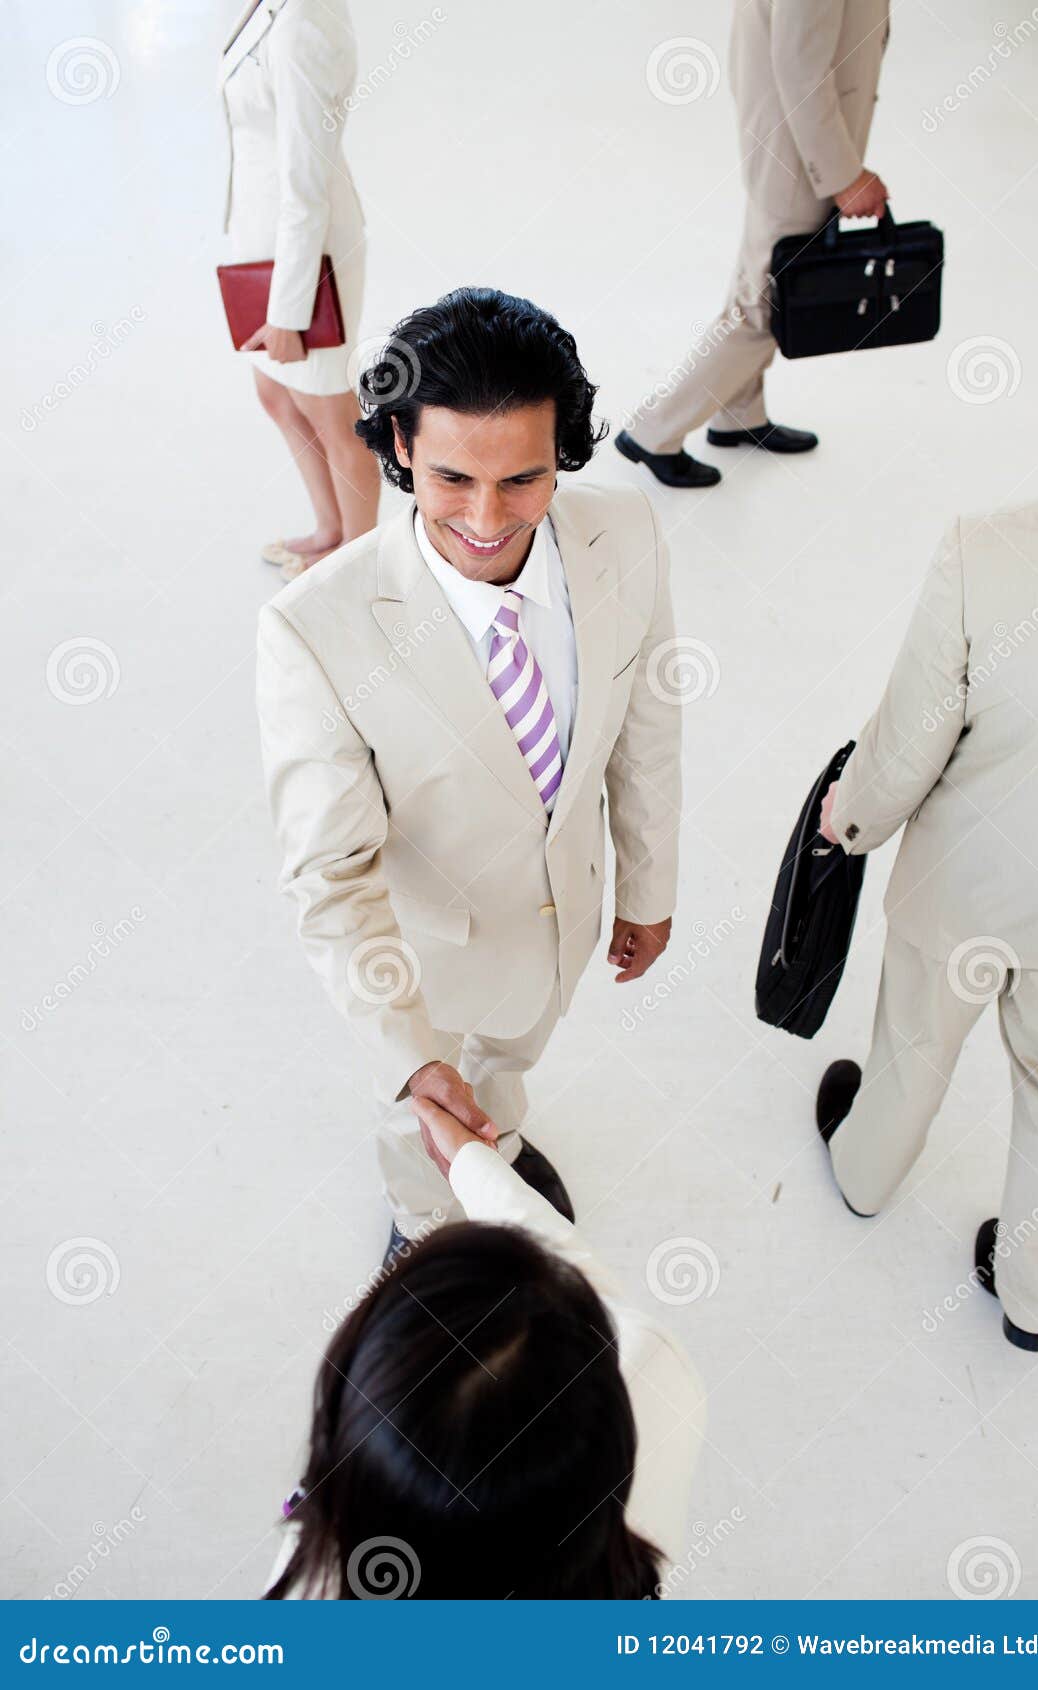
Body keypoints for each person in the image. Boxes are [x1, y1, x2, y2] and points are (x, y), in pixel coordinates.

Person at [256, 288, 682, 1260]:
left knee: (507, 1065)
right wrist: (409, 1060)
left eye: (523, 479)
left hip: (562, 931)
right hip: (425, 973)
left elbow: (647, 727)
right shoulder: (313, 631)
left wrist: (646, 887)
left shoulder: (627, 536)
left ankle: (506, 1142)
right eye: (452, 477)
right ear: (399, 445)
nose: (487, 520)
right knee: (425, 1125)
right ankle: (423, 1228)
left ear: (562, 454)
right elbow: (329, 877)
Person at [264, 1099, 706, 1598]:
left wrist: (470, 1166)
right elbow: (597, 1301)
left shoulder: (306, 1593)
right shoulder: (657, 1379)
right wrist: (473, 1165)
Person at [815, 498, 1038, 1353]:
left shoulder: (990, 550)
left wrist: (852, 817)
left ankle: (864, 1177)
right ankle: (1031, 1303)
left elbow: (911, 737)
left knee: (915, 1043)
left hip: (970, 885)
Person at [616, 0, 890, 489]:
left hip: (790, 142)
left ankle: (739, 413)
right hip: (799, 152)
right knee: (765, 306)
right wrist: (843, 176)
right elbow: (798, 63)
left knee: (757, 284)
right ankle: (654, 431)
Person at [221, 0, 379, 579]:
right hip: (264, 243)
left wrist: (290, 312)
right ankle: (331, 531)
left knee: (329, 410)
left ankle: (361, 571)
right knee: (276, 392)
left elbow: (307, 181)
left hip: (308, 252)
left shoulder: (301, 27)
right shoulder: (270, 8)